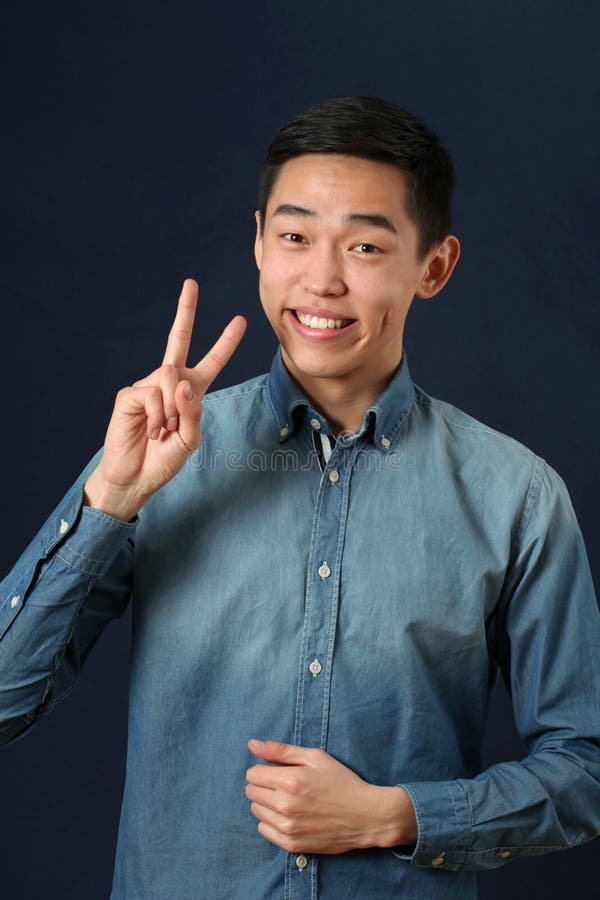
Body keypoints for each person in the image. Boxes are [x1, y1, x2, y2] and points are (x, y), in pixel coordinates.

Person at [1, 96, 599, 900]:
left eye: (363, 245)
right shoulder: (156, 451)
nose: (321, 279)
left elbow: (586, 767)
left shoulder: (515, 497)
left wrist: (398, 816)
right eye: (294, 236)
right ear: (257, 242)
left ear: (434, 267)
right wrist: (109, 500)